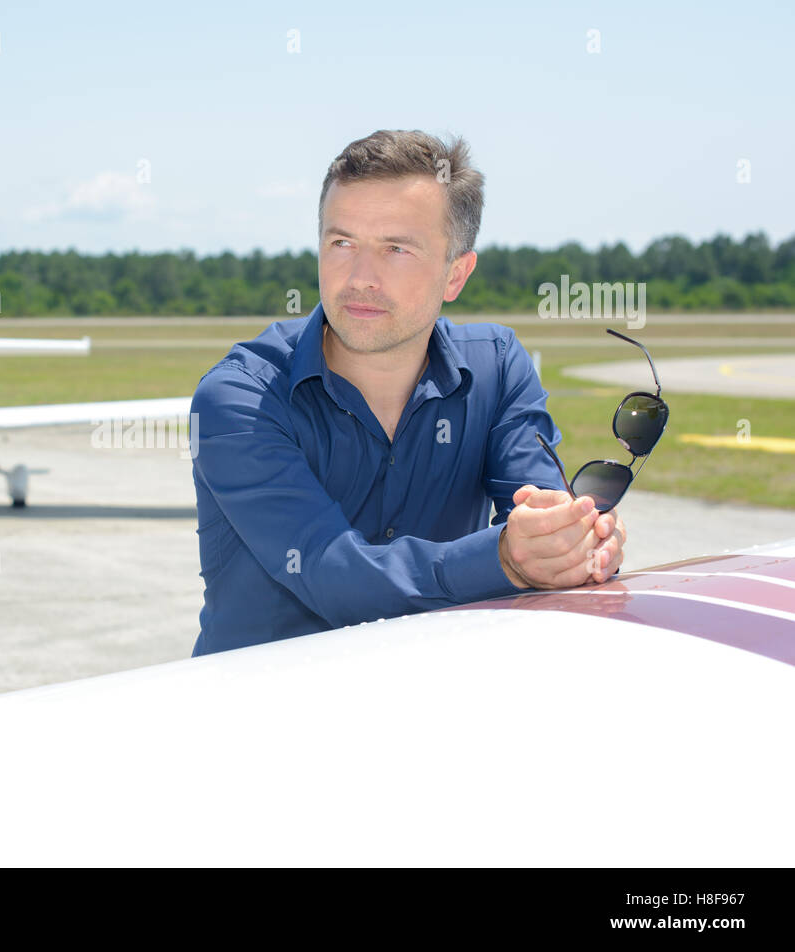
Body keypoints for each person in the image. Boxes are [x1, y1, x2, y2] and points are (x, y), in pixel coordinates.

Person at [189, 129, 626, 657]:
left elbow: (537, 512)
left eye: (396, 249)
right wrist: (507, 559)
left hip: (432, 697)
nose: (360, 278)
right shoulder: (241, 397)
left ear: (456, 275)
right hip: (257, 714)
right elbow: (331, 573)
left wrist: (573, 539)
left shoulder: (498, 367)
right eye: (341, 242)